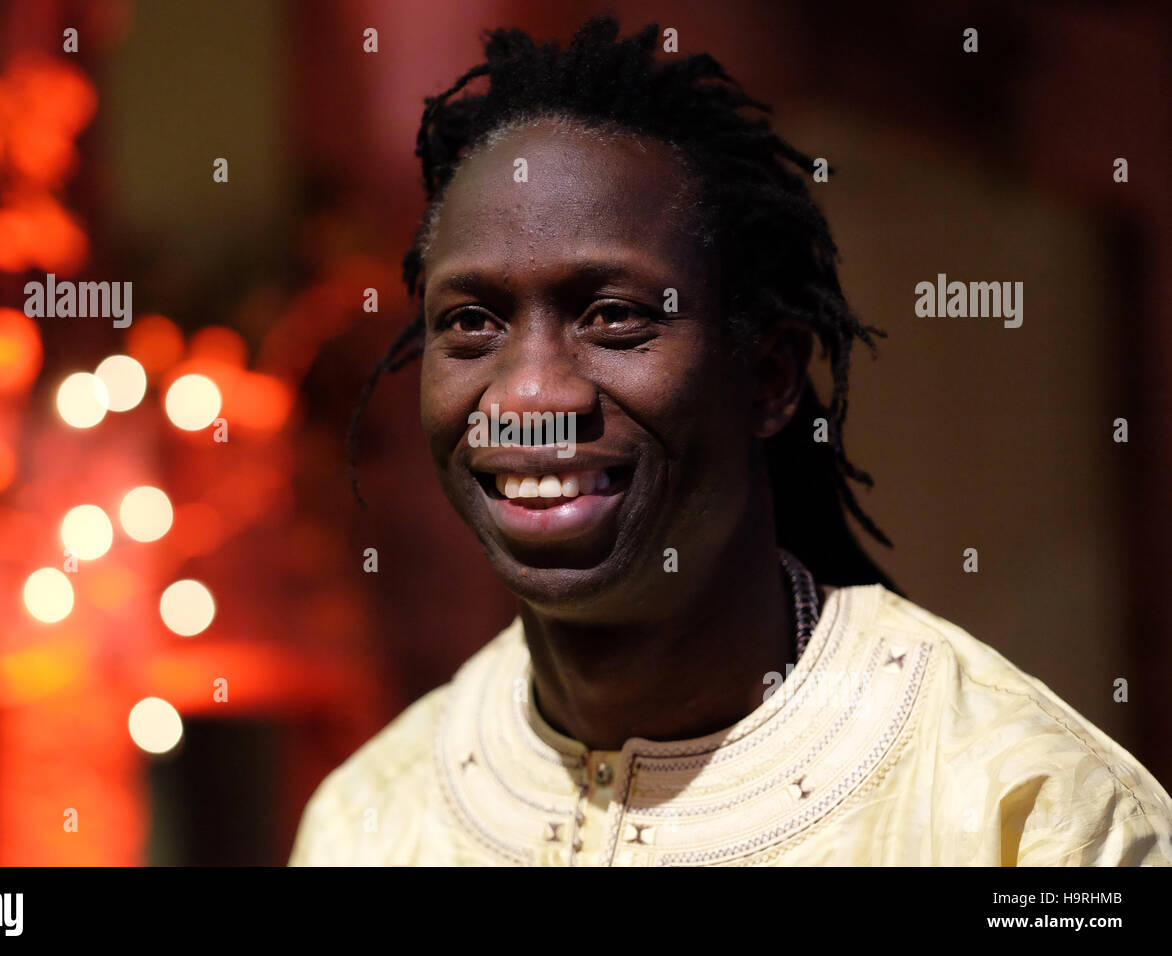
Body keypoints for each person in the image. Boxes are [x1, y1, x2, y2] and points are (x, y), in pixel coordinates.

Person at [289, 15, 1171, 866]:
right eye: (473, 323)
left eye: (614, 316)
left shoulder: (1033, 817)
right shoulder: (370, 822)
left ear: (771, 376)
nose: (529, 394)